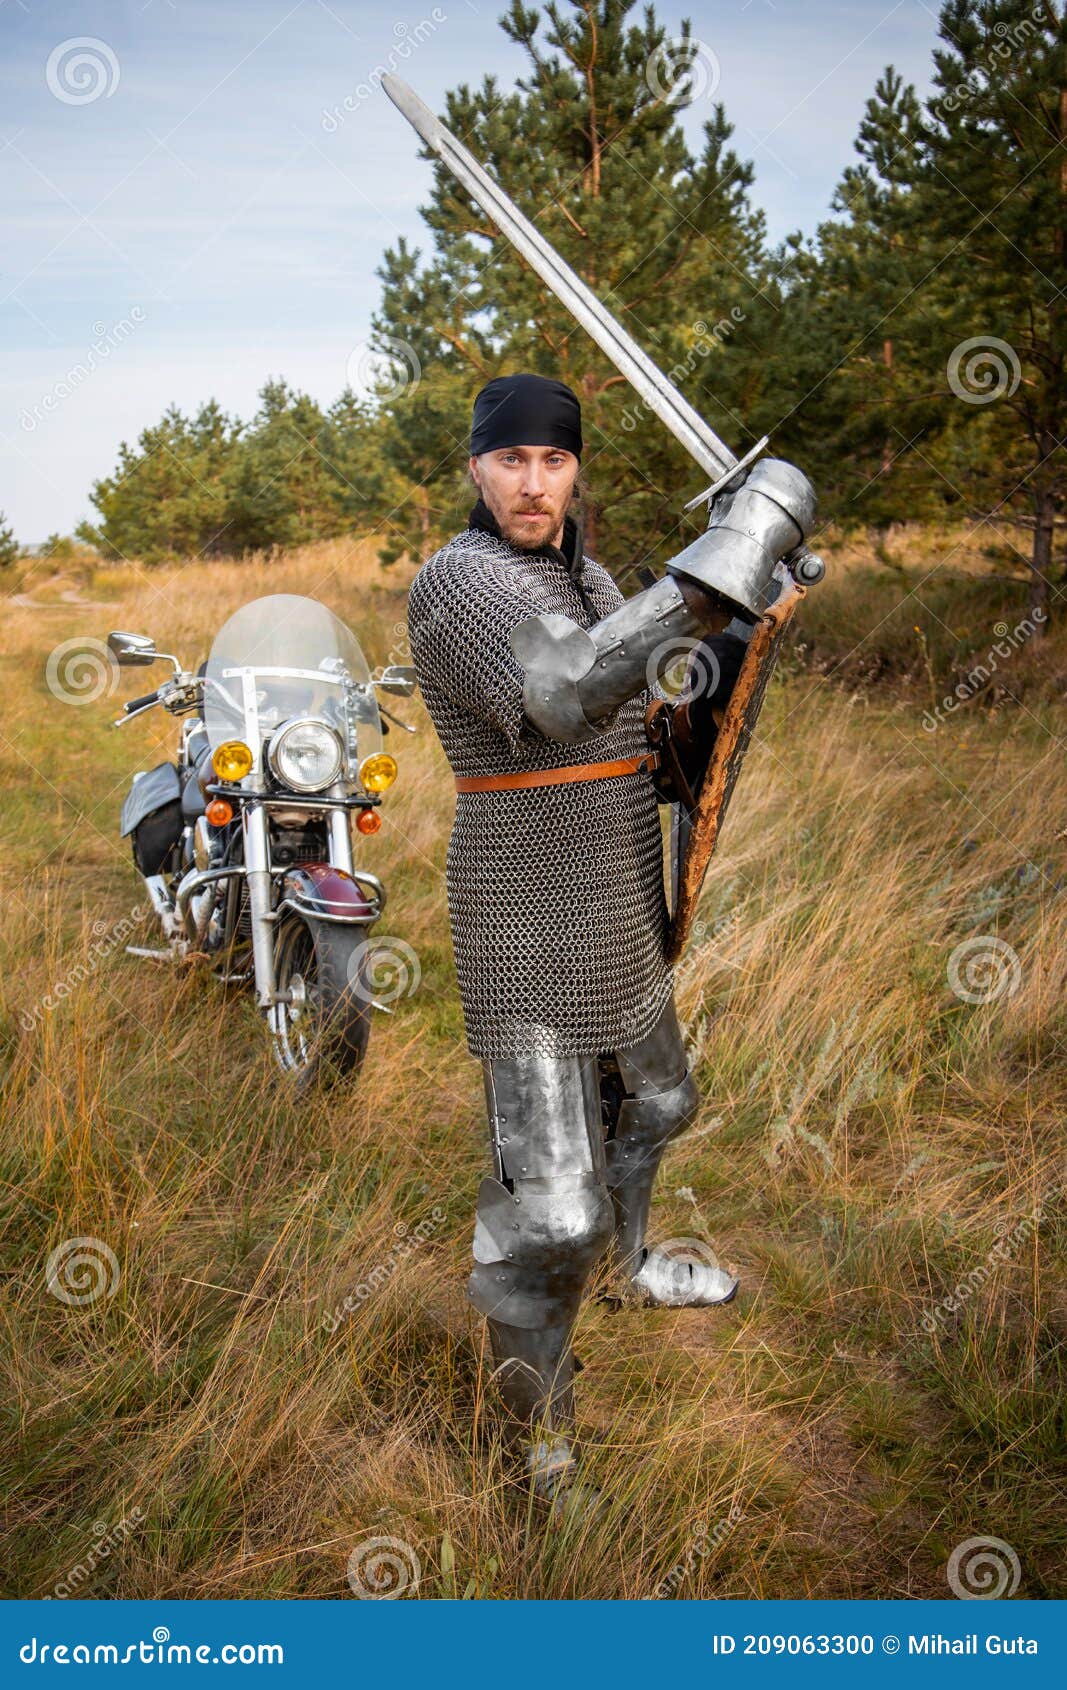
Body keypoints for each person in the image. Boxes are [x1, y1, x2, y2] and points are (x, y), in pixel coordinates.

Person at [407, 373, 751, 1504]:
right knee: (551, 1213)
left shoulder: (585, 573)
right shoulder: (457, 582)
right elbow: (564, 691)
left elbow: (655, 689)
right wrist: (713, 566)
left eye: (554, 461)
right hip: (522, 915)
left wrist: (747, 606)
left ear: (573, 471)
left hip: (609, 893)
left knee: (660, 1104)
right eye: (511, 460)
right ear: (475, 467)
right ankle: (544, 1447)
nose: (533, 482)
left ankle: (635, 1263)